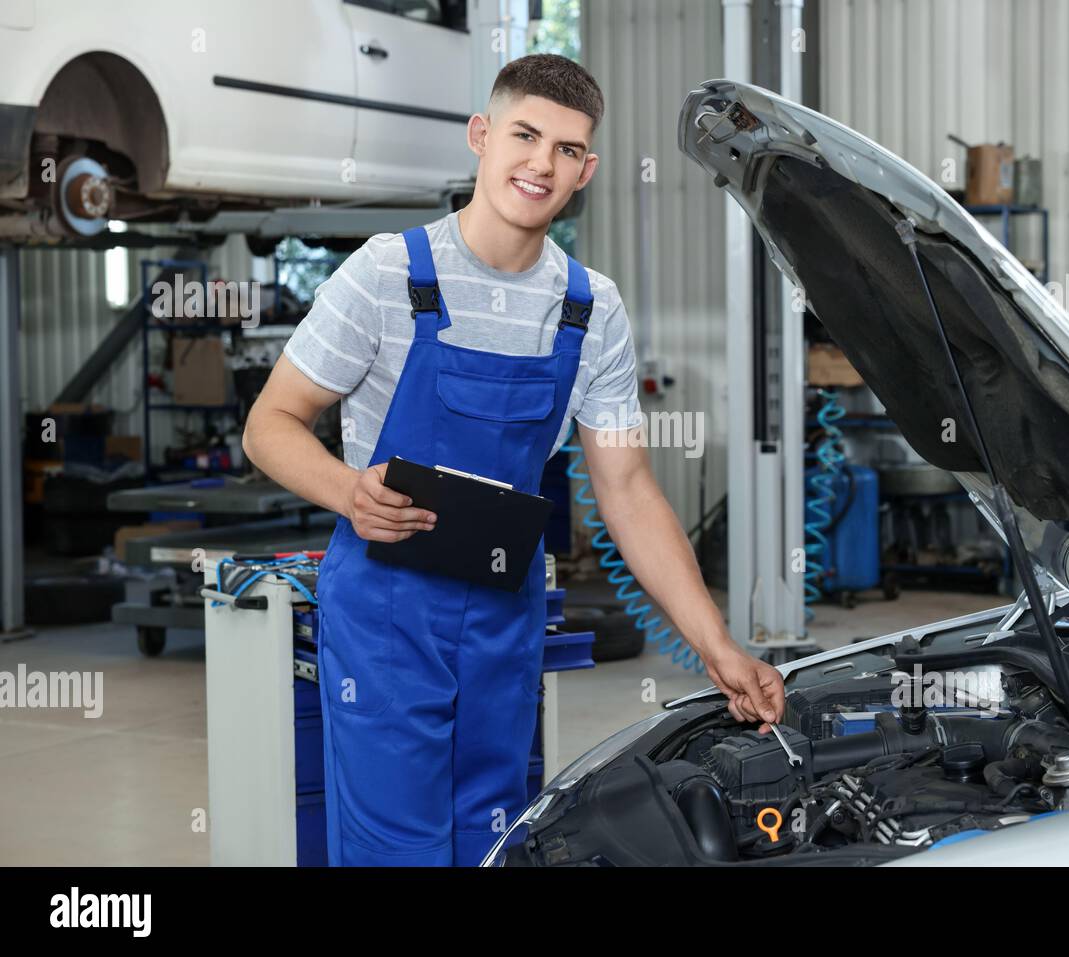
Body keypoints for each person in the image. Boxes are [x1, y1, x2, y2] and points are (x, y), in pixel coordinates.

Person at [243, 53, 786, 866]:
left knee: (496, 838)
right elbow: (270, 423)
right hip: (387, 616)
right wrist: (348, 489)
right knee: (397, 847)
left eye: (567, 149)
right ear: (482, 136)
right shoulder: (388, 274)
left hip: (503, 616)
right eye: (525, 135)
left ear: (586, 171)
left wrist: (715, 644)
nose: (541, 162)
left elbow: (629, 490)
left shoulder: (589, 308)